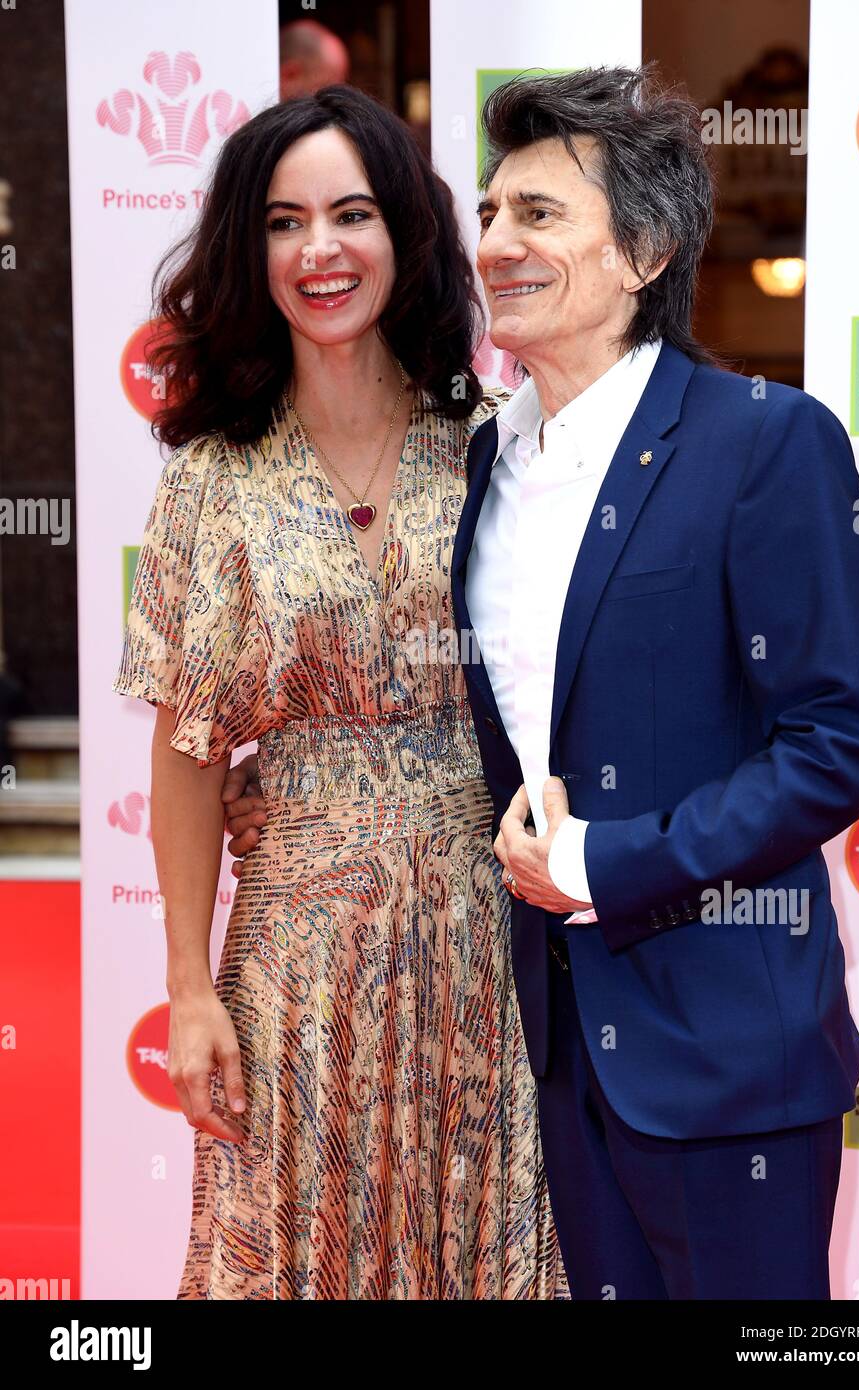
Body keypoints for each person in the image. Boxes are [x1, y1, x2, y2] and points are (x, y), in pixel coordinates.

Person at [230, 64, 859, 1301]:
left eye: (539, 214)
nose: (496, 243)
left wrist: (612, 862)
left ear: (643, 251)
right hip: (553, 1057)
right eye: (489, 214)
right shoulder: (491, 458)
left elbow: (845, 740)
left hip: (726, 1058)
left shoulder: (764, 441)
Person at [113, 87, 567, 1300]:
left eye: (351, 213)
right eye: (283, 221)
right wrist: (189, 987)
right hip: (292, 955)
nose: (320, 250)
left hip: (486, 929)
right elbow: (187, 752)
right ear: (247, 251)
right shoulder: (212, 479)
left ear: (406, 234)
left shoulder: (493, 444)